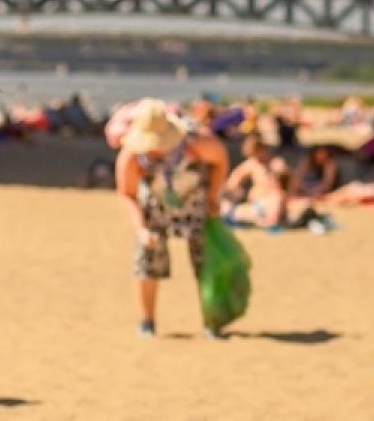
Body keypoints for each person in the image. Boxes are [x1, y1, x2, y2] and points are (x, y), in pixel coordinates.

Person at [115, 98, 229, 338]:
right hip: (154, 207)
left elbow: (220, 160)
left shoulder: (197, 143)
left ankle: (212, 322)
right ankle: (146, 322)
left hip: (195, 203)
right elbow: (127, 194)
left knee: (207, 260)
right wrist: (141, 229)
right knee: (147, 259)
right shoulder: (132, 155)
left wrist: (213, 197)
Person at [221, 133, 289, 229]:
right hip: (256, 206)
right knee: (226, 205)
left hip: (273, 206)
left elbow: (285, 184)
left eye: (255, 154)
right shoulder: (252, 164)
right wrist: (234, 193)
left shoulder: (276, 163)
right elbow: (232, 182)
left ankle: (271, 223)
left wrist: (278, 173)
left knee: (276, 198)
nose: (255, 158)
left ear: (263, 149)